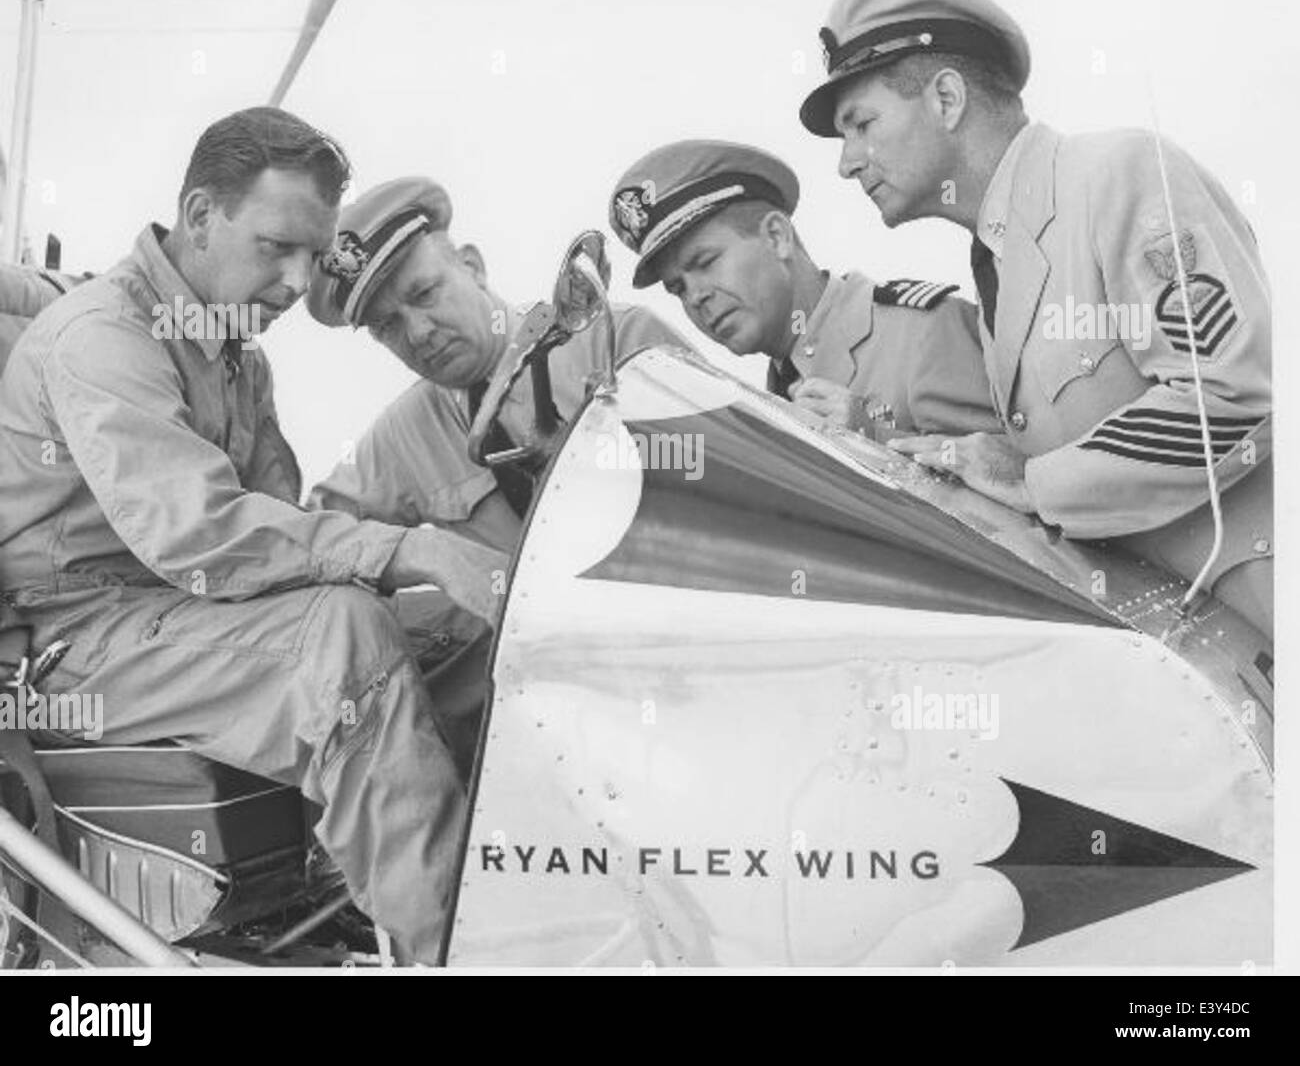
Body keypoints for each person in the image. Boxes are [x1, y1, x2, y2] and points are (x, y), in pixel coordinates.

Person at [0, 107, 507, 964]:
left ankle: (475, 892)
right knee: (343, 636)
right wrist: (406, 549)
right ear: (201, 217)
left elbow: (281, 525)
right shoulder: (103, 335)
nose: (298, 280)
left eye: (313, 254)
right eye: (279, 248)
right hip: (71, 639)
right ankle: (457, 956)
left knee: (456, 627)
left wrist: (400, 572)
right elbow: (198, 532)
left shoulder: (240, 354)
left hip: (175, 618)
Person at [799, 0, 1272, 638]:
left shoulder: (1117, 173)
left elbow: (1231, 400)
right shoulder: (998, 260)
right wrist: (876, 432)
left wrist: (1033, 479)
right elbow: (1031, 452)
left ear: (945, 97)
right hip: (1183, 642)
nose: (848, 163)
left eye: (862, 124)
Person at [305, 177, 684, 544]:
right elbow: (310, 535)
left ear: (472, 266)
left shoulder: (621, 341)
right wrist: (419, 556)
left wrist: (603, 459)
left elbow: (719, 464)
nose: (418, 333)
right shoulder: (406, 434)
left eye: (424, 294)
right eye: (387, 324)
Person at [608, 138, 1000, 439]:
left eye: (705, 263)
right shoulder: (769, 401)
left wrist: (873, 435)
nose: (696, 296)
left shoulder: (923, 332)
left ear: (777, 236)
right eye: (677, 288)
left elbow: (1024, 518)